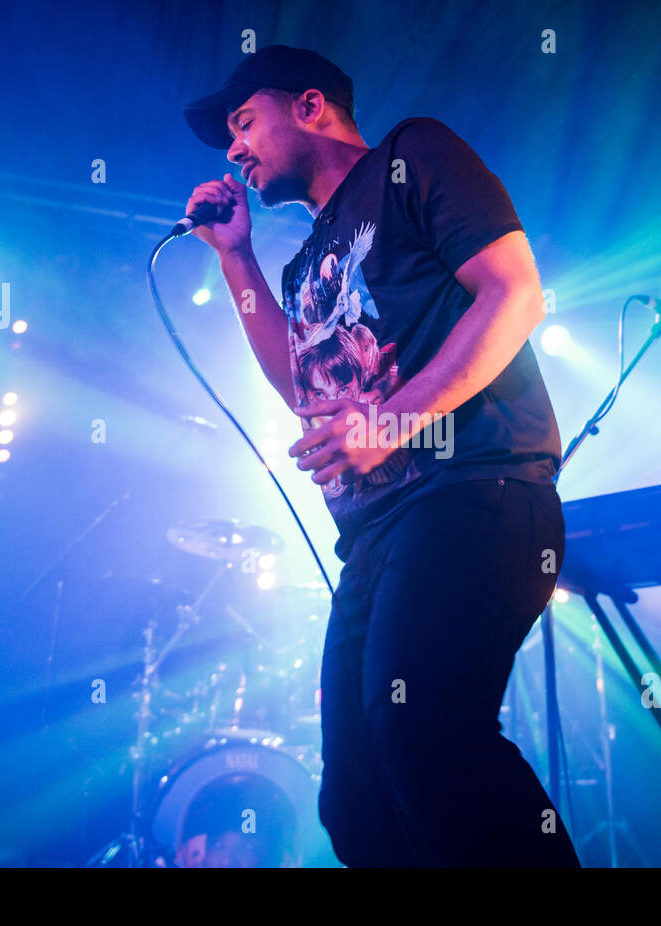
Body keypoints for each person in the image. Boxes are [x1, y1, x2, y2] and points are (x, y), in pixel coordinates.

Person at [181, 45, 579, 866]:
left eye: (244, 122)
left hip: (474, 488)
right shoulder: (301, 266)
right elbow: (306, 390)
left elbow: (517, 292)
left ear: (312, 105)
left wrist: (394, 421)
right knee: (356, 802)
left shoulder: (412, 155)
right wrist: (236, 259)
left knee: (422, 724)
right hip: (374, 537)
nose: (234, 149)